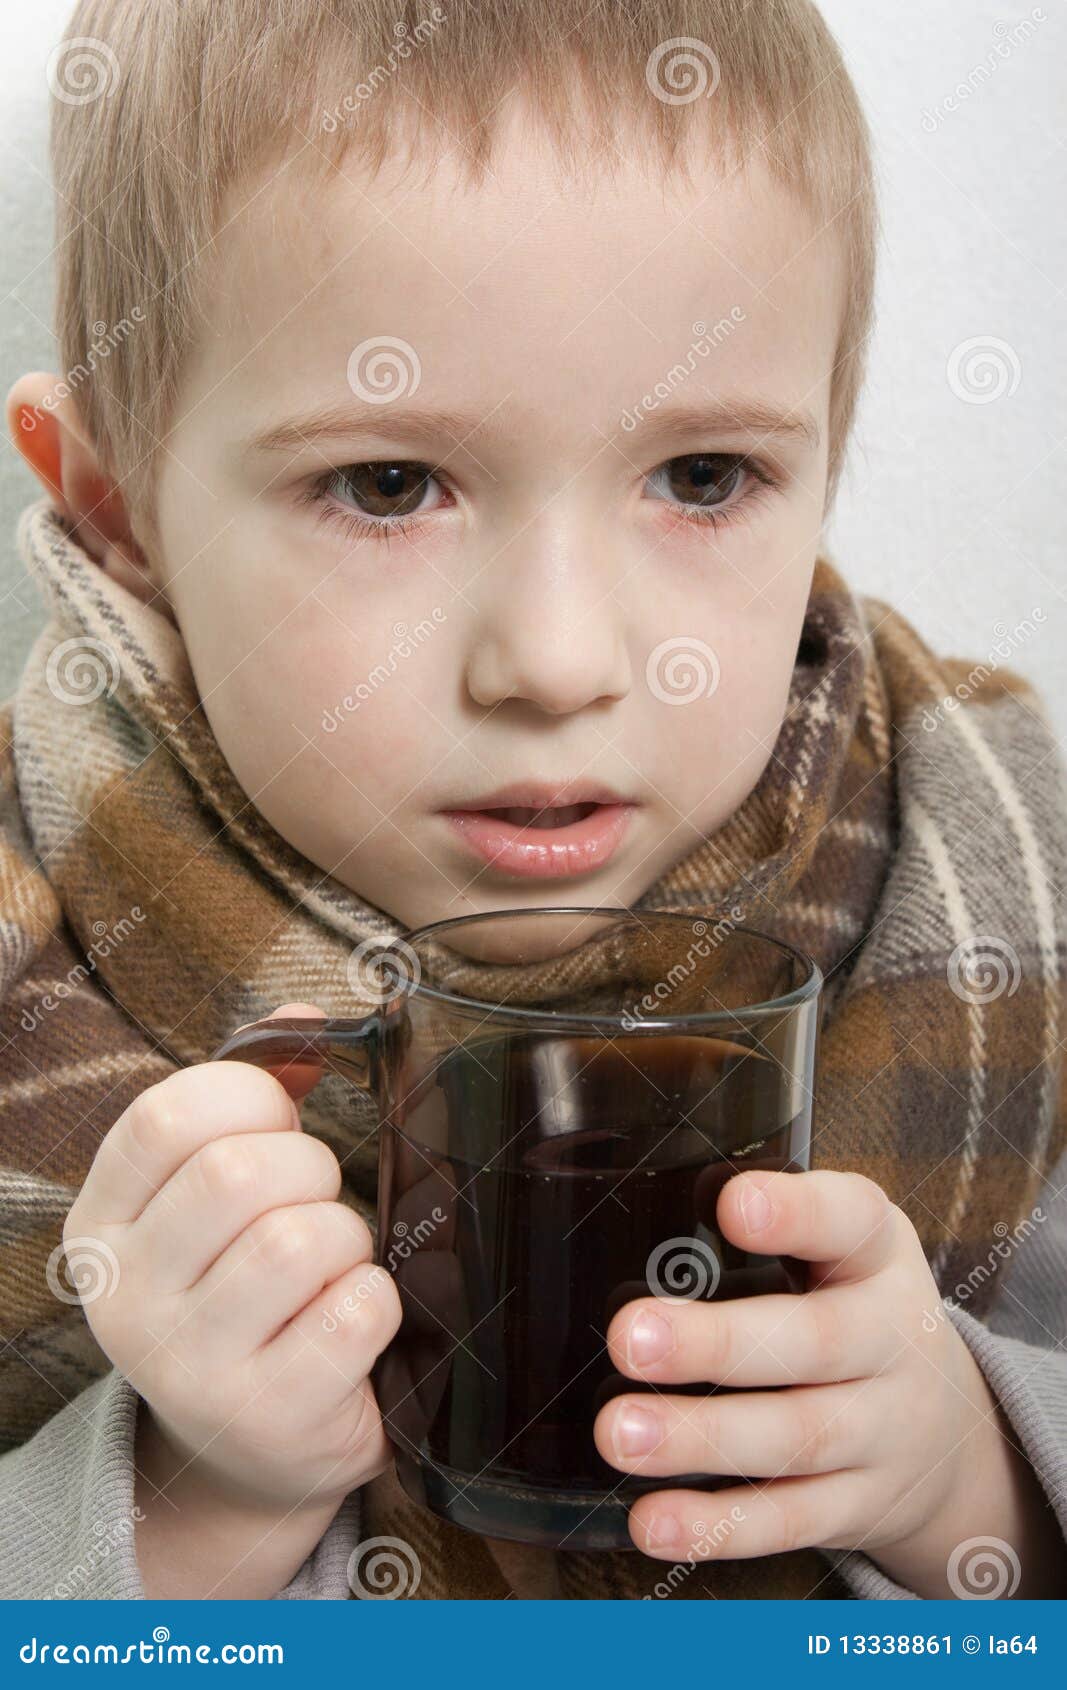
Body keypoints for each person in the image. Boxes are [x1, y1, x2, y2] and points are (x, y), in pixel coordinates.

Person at [1, 0, 1064, 1601]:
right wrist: (191, 1504)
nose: (560, 662)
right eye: (388, 484)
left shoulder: (995, 881)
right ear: (119, 509)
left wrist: (968, 1470)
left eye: (703, 476)